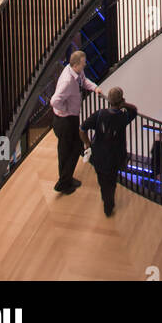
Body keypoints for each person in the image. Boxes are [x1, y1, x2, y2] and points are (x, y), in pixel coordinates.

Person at [50, 50, 102, 194]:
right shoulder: (67, 80)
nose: (85, 65)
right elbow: (54, 101)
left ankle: (65, 180)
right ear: (77, 64)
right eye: (83, 63)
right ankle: (63, 182)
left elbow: (84, 81)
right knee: (70, 149)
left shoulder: (76, 72)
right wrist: (65, 110)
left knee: (67, 150)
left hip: (70, 118)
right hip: (64, 120)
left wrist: (95, 87)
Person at [79, 85, 137, 217]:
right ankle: (108, 204)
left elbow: (82, 129)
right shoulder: (122, 118)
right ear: (121, 100)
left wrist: (87, 144)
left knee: (103, 181)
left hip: (99, 155)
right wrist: (124, 104)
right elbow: (134, 110)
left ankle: (106, 199)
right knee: (111, 182)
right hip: (115, 157)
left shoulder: (100, 115)